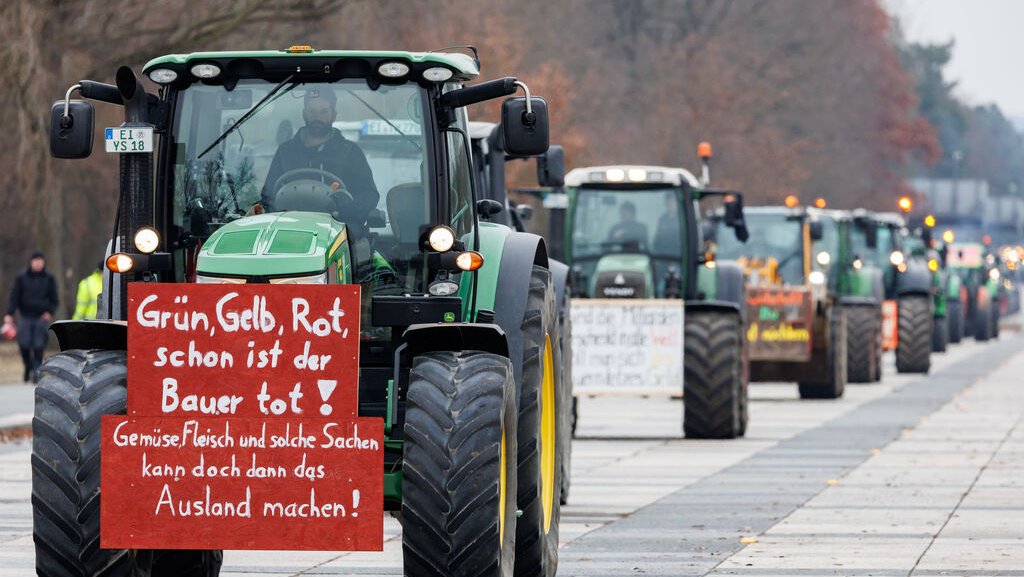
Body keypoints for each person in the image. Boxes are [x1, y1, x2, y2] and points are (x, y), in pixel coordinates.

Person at [259, 87, 380, 234]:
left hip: (340, 232)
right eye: (312, 111)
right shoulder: (285, 152)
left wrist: (342, 210)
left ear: (334, 115)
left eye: (324, 111)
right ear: (304, 113)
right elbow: (268, 195)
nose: (318, 117)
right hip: (291, 231)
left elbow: (369, 195)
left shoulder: (350, 152)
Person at [5, 251, 58, 383]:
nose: (38, 263)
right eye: (35, 261)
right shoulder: (22, 277)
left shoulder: (49, 277)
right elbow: (14, 296)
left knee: (39, 345)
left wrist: (50, 312)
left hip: (41, 317)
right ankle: (28, 367)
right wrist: (9, 313)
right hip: (25, 316)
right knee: (24, 345)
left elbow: (54, 299)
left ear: (43, 262)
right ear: (31, 262)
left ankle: (36, 370)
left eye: (40, 260)